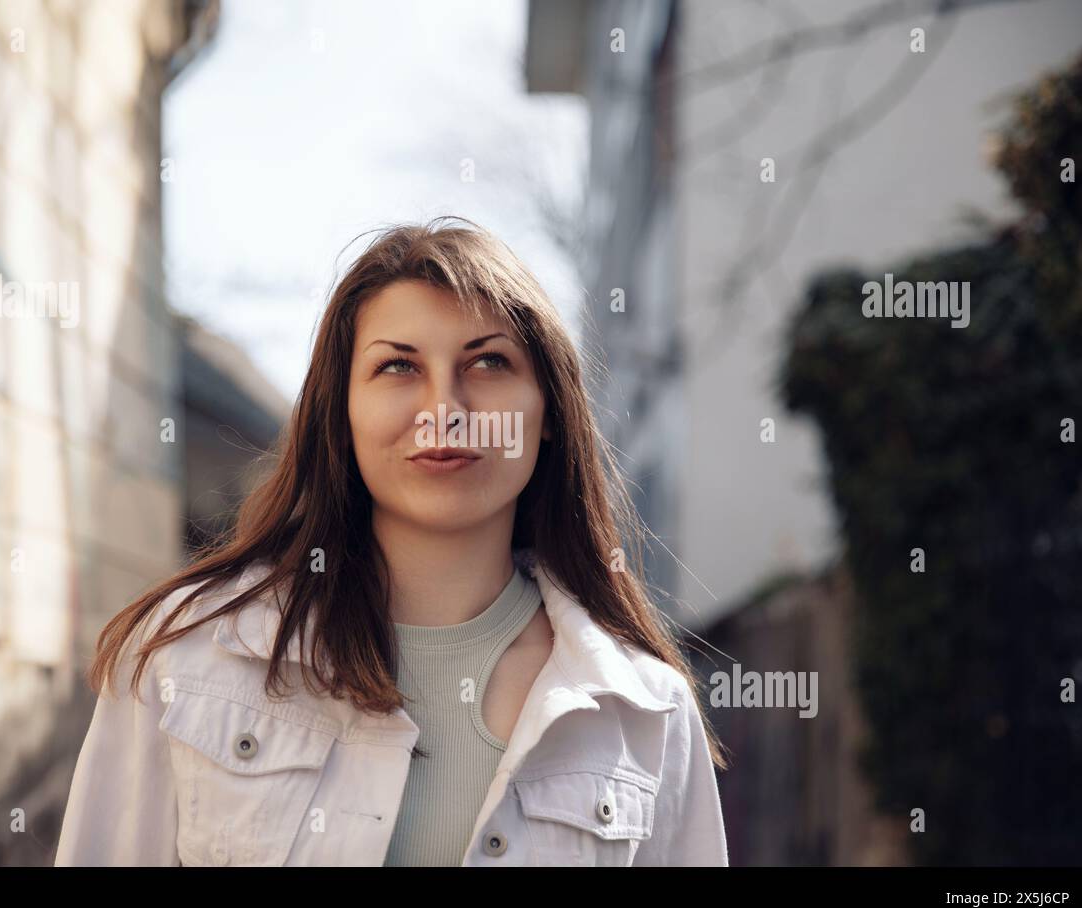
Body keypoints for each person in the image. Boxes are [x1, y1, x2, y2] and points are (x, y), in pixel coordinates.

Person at [53, 216, 729, 866]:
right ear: (341, 414)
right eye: (398, 368)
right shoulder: (186, 656)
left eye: (489, 362)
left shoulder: (647, 713)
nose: (445, 411)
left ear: (548, 411)